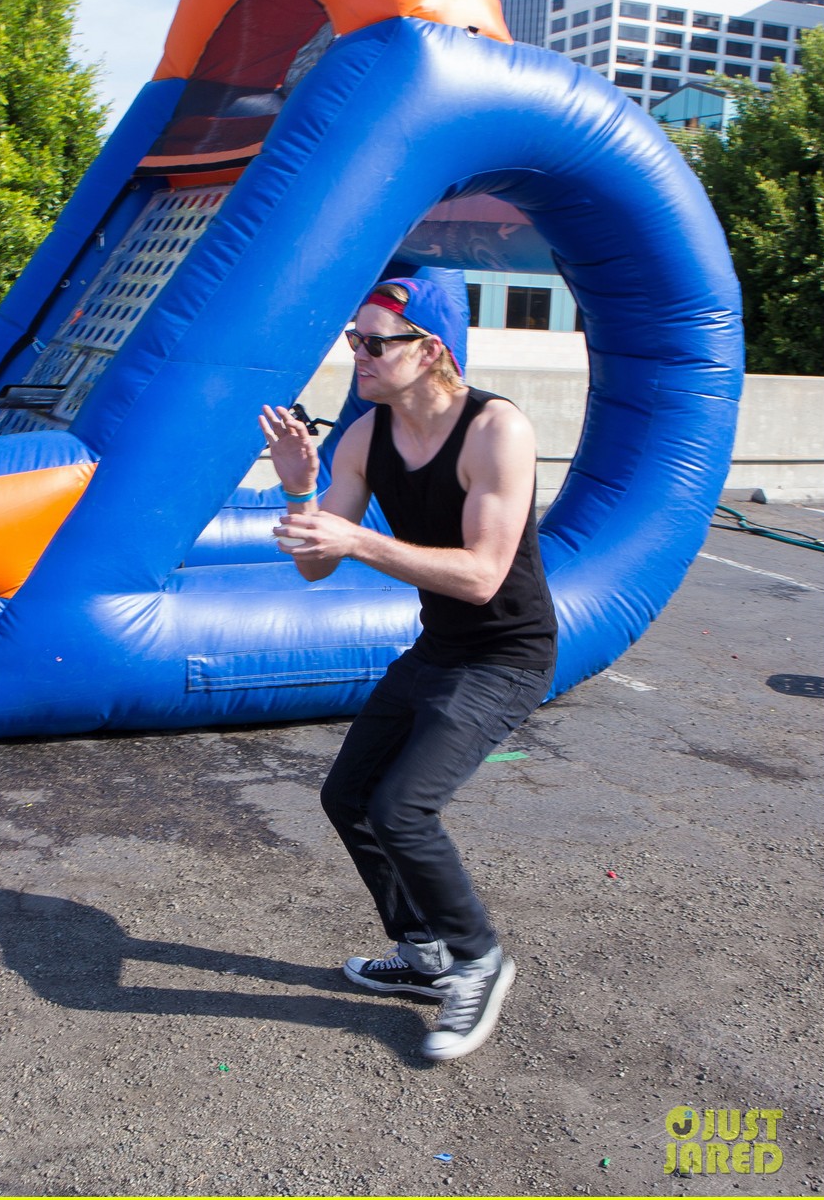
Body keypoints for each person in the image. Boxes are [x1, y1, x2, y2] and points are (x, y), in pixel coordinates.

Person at [258, 276, 557, 1061]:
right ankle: (424, 956)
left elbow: (484, 576)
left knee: (401, 808)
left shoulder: (497, 430)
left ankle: (479, 960)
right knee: (348, 795)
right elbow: (317, 567)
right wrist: (299, 489)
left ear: (431, 350)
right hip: (441, 648)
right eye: (353, 339)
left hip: (507, 652)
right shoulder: (364, 437)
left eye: (374, 341)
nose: (355, 353)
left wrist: (360, 542)